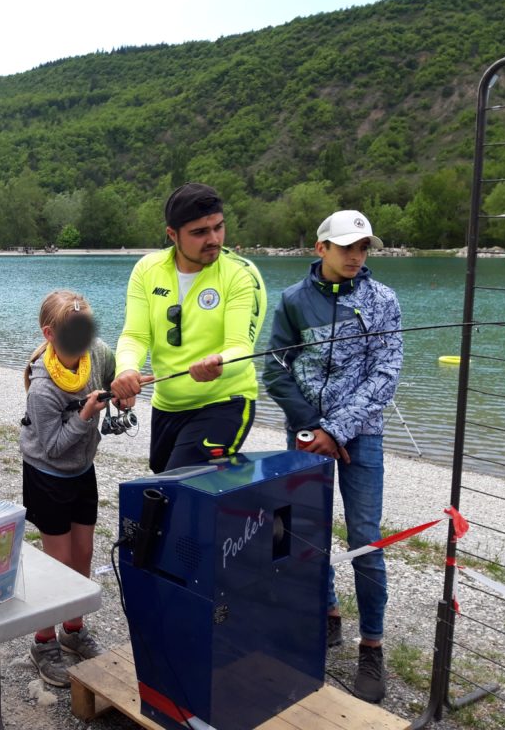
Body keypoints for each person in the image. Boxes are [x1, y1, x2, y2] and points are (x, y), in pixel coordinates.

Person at [262, 210, 402, 704]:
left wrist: (336, 429)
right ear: (320, 249)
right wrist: (309, 428)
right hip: (304, 439)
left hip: (362, 438)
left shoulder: (383, 301)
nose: (356, 256)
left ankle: (373, 645)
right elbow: (275, 370)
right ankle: (325, 615)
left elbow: (386, 374)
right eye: (346, 247)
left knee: (366, 537)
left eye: (363, 247)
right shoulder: (293, 302)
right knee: (304, 532)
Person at [110, 183, 267, 472]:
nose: (214, 239)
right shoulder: (147, 269)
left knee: (179, 487)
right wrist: (127, 370)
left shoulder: (241, 275)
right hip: (167, 404)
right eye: (199, 232)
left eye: (219, 228)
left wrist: (220, 362)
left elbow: (241, 347)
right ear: (172, 235)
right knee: (162, 486)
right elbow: (135, 335)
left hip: (225, 402)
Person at [20, 291, 115, 688]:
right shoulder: (41, 389)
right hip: (47, 475)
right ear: (50, 333)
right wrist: (85, 415)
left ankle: (73, 629)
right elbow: (55, 447)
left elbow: (113, 380)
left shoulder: (99, 355)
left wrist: (122, 395)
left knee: (84, 552)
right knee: (56, 563)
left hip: (83, 471)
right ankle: (43, 641)